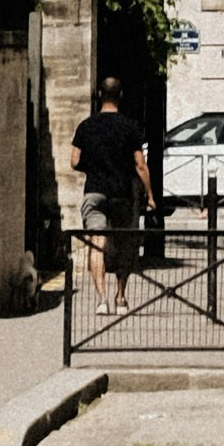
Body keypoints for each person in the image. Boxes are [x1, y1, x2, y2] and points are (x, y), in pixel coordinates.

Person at [70, 82, 148, 296]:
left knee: (97, 243)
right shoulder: (130, 127)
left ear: (98, 95)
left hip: (94, 191)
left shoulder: (85, 126)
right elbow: (140, 165)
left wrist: (94, 166)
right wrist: (149, 195)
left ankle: (102, 300)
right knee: (124, 245)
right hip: (121, 193)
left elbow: (74, 161)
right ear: (120, 95)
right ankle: (121, 296)